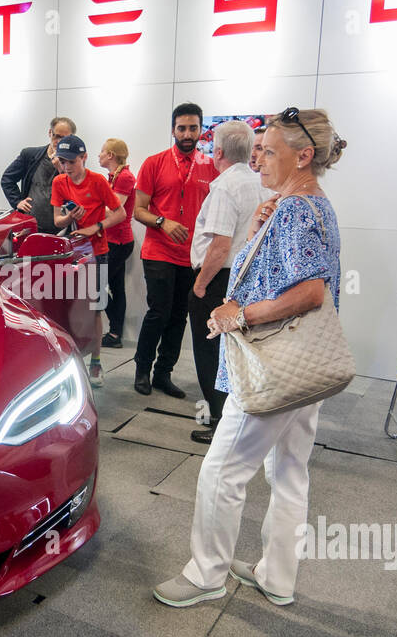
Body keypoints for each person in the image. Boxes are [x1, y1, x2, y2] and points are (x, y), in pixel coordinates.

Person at [153, 108, 347, 609]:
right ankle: (277, 576)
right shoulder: (307, 205)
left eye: (268, 150)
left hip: (271, 365)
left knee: (222, 470)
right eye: (257, 148)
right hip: (304, 365)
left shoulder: (298, 210)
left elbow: (310, 293)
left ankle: (207, 573)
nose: (256, 157)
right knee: (288, 470)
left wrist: (240, 315)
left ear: (303, 156)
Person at [188, 120, 270, 445]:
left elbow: (220, 246)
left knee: (210, 353)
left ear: (217, 152)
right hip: (246, 279)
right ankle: (238, 418)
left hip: (218, 279)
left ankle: (220, 423)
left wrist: (198, 286)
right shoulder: (262, 184)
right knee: (237, 353)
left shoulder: (225, 186)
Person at [131, 103, 215, 398]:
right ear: (173, 130)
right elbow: (138, 211)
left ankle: (163, 374)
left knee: (180, 316)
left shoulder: (211, 166)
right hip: (158, 252)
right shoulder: (154, 163)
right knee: (159, 313)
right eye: (182, 128)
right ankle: (142, 369)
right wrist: (162, 222)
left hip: (193, 256)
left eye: (193, 128)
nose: (188, 133)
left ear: (201, 129)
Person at [50, 135, 125, 388]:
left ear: (83, 158)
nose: (66, 166)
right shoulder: (59, 182)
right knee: (67, 306)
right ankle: (66, 361)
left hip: (97, 251)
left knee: (95, 308)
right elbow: (56, 221)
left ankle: (96, 362)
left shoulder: (98, 181)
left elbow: (121, 213)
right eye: (62, 161)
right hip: (70, 252)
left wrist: (96, 227)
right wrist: (68, 215)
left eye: (71, 161)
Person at [0, 117, 75, 234]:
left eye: (64, 139)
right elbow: (7, 179)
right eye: (57, 136)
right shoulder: (30, 154)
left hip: (60, 229)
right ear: (50, 132)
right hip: (31, 225)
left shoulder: (75, 161)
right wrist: (17, 201)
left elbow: (75, 191)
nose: (59, 142)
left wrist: (60, 168)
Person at [99, 138, 135, 349]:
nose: (99, 155)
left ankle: (115, 332)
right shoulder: (114, 176)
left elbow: (114, 209)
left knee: (94, 286)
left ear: (111, 155)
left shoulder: (124, 177)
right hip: (114, 241)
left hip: (118, 242)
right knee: (116, 287)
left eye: (102, 152)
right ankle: (115, 334)